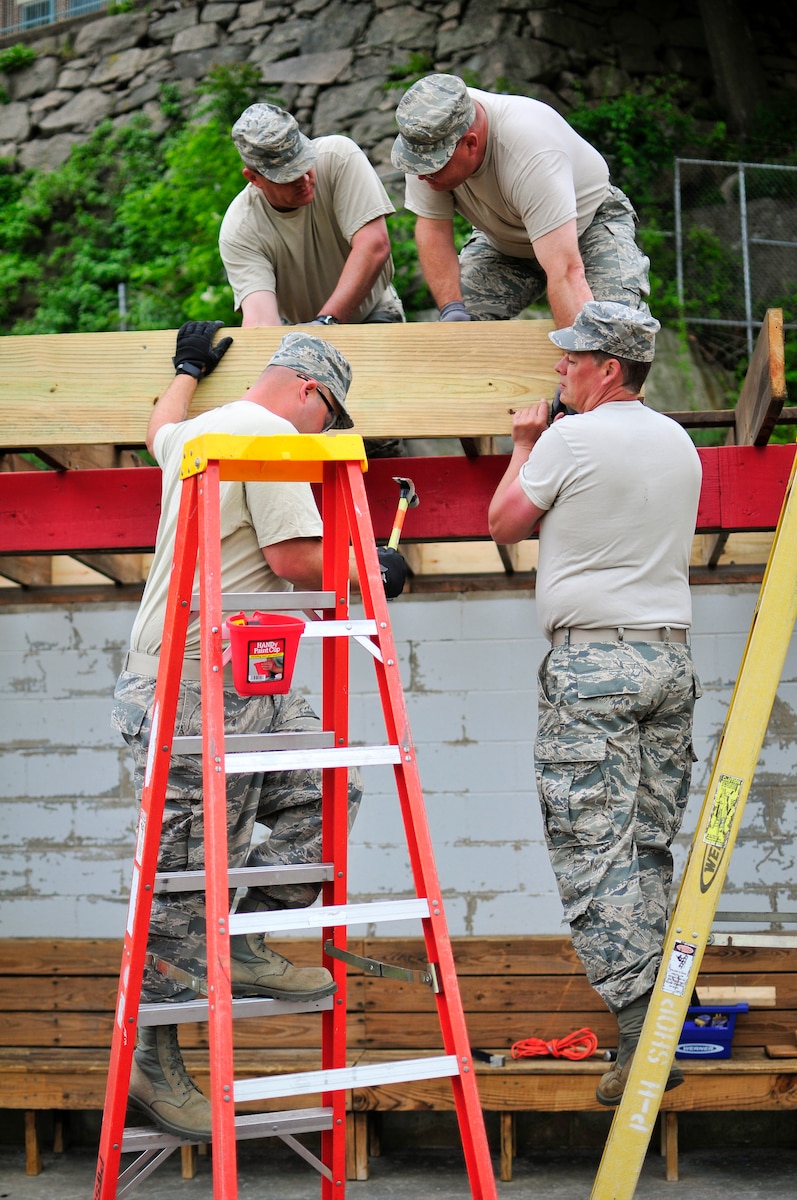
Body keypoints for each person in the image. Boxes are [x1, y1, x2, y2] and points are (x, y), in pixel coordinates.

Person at [113, 321, 407, 1141]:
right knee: (182, 876)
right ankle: (156, 1064)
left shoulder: (200, 431)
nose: (322, 435)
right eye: (329, 416)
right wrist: (372, 571)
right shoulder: (270, 435)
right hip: (195, 676)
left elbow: (156, 428)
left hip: (243, 670)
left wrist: (186, 368)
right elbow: (295, 561)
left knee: (328, 786)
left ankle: (247, 935)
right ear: (309, 392)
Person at [487, 301, 702, 1106]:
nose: (560, 369)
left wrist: (523, 444)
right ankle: (651, 1028)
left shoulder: (571, 439)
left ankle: (641, 1026)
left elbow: (504, 521)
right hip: (668, 659)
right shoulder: (680, 442)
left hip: (595, 666)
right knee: (645, 843)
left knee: (591, 851)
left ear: (609, 369)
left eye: (573, 360)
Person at [391, 74, 650, 329]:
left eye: (433, 168)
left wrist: (581, 355)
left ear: (470, 143)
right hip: (505, 241)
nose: (421, 175)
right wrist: (453, 310)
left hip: (587, 225)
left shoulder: (531, 151)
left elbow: (566, 272)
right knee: (463, 330)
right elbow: (434, 228)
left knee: (612, 332)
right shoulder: (425, 145)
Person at [220, 102, 404, 329]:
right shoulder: (240, 229)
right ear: (254, 179)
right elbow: (261, 321)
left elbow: (374, 245)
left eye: (305, 164)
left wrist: (326, 321)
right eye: (289, 176)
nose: (305, 180)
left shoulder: (338, 156)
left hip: (374, 311)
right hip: (301, 332)